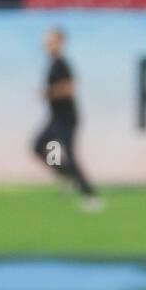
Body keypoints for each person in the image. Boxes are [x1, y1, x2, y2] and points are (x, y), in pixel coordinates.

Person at [32, 28, 100, 208]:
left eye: (50, 42)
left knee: (69, 155)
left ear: (59, 43)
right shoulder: (53, 63)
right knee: (39, 146)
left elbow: (69, 88)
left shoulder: (62, 64)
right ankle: (65, 175)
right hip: (55, 117)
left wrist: (48, 93)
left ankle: (90, 195)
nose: (46, 46)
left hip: (66, 118)